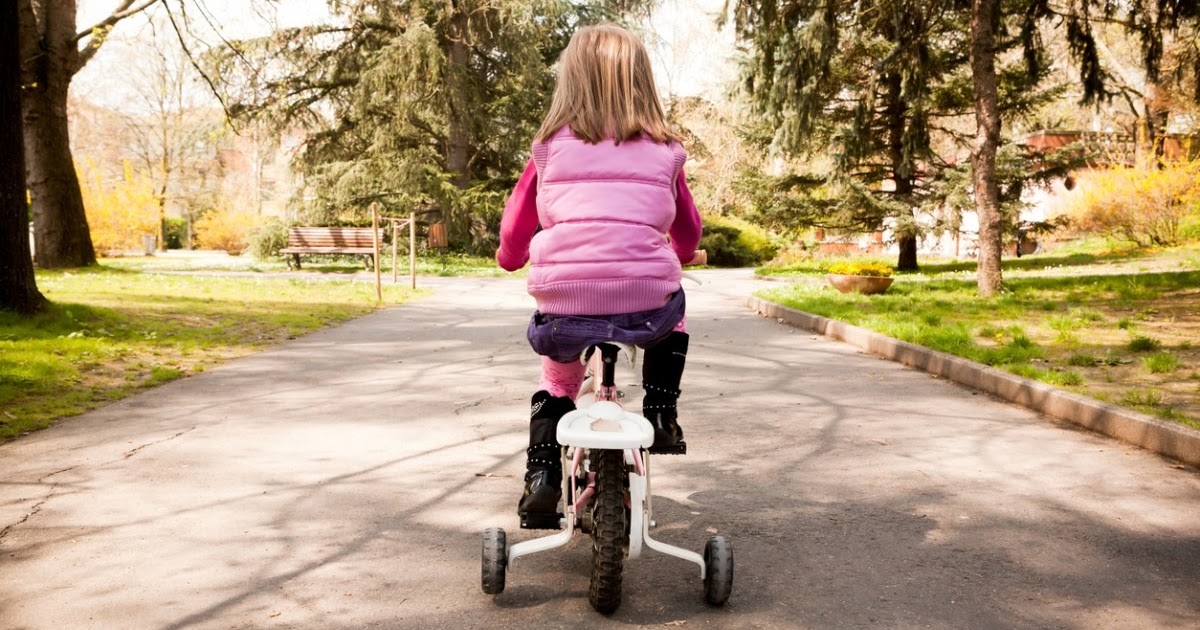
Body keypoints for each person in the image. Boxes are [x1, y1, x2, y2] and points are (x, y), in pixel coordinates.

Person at [495, 23, 703, 530]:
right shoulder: (666, 149)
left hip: (566, 302)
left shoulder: (548, 148)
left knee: (557, 380)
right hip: (645, 302)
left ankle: (542, 475)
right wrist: (684, 253)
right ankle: (661, 413)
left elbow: (517, 221)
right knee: (673, 307)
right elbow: (688, 226)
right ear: (641, 80)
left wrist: (510, 256)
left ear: (571, 80)